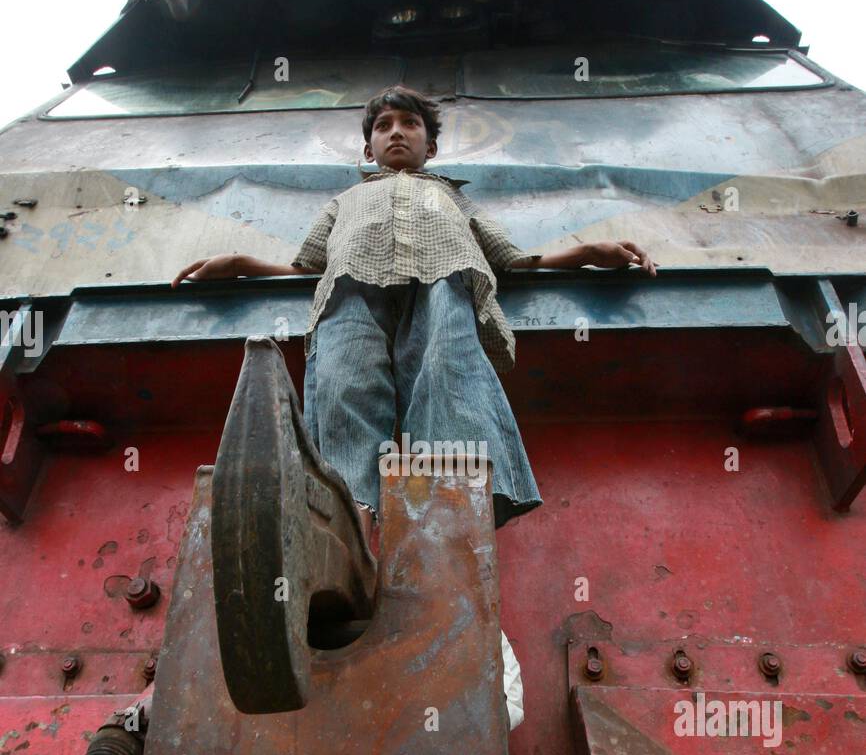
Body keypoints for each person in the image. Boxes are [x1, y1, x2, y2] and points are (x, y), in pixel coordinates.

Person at [172, 86, 656, 532]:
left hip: (442, 284)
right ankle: (348, 527)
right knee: (344, 386)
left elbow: (512, 258)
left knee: (447, 375)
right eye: (383, 127)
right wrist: (239, 263)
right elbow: (308, 266)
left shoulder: (453, 196)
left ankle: (452, 513)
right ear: (368, 150)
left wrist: (588, 253)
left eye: (409, 123)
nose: (396, 132)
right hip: (350, 291)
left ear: (431, 147)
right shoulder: (346, 200)